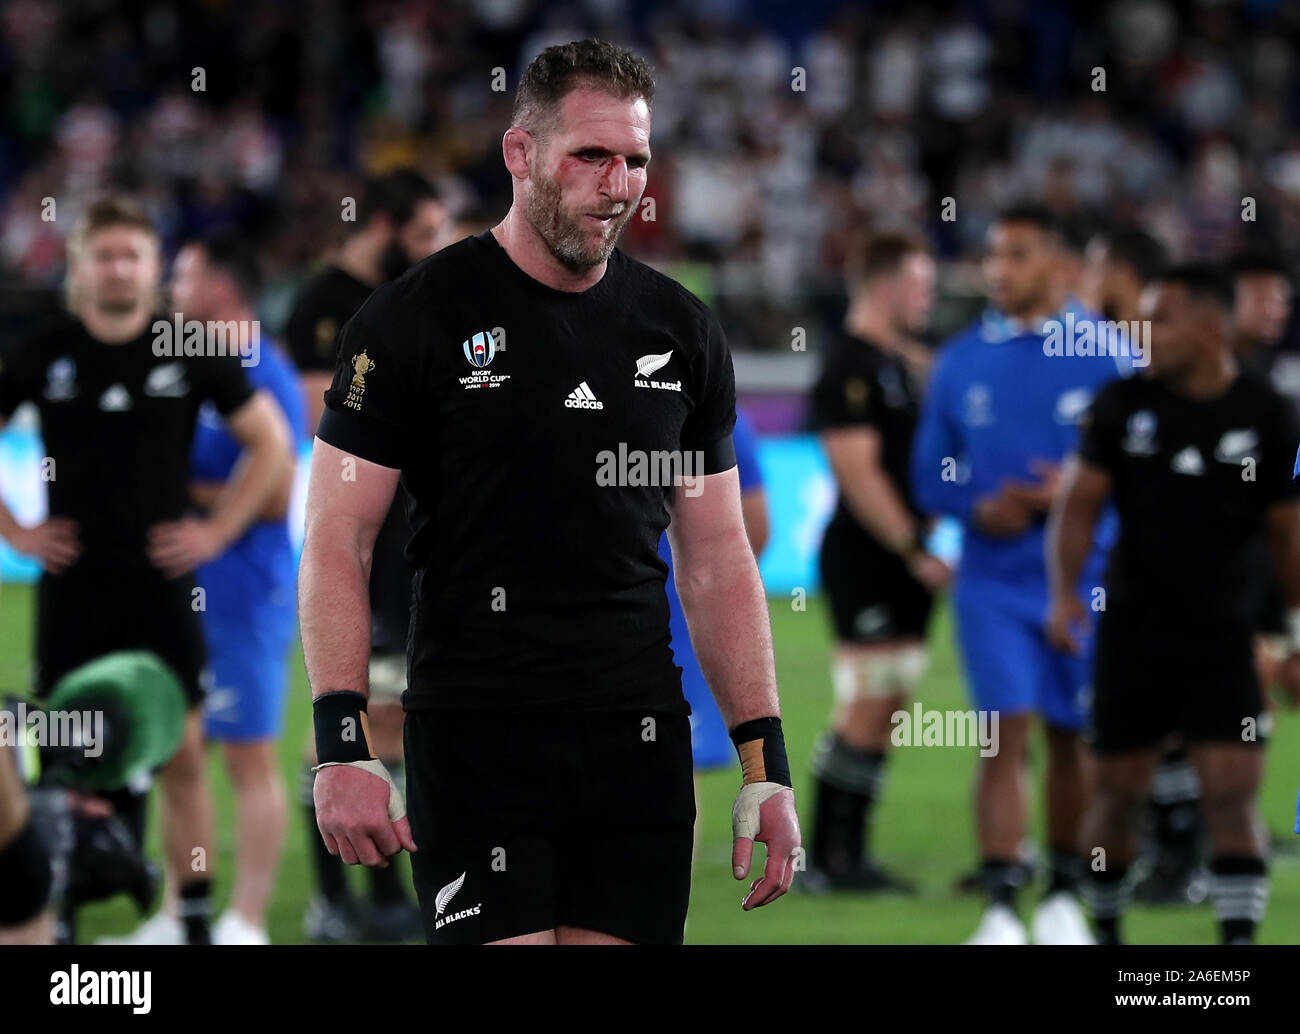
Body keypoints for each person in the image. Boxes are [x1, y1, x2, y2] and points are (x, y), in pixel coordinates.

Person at [299, 38, 800, 945]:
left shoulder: (681, 329)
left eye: (636, 160)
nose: (618, 185)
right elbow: (338, 537)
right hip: (474, 737)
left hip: (638, 740)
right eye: (592, 156)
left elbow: (719, 555)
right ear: (519, 154)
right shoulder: (411, 321)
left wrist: (765, 764)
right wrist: (342, 741)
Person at [0, 196, 291, 944]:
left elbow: (272, 445)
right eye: (105, 254)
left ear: (154, 266)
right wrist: (19, 532)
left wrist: (218, 530)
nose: (119, 267)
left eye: (133, 254)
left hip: (162, 589)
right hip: (73, 588)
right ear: (80, 265)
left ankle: (189, 917)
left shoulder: (189, 345)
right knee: (65, 752)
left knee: (183, 753)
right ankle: (55, 916)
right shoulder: (45, 348)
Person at [1048, 264, 1300, 944]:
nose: (1144, 334)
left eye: (1161, 319)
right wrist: (1065, 593)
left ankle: (1238, 954)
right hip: (1134, 628)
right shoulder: (1121, 404)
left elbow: (1288, 532)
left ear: (1210, 327)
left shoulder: (1266, 412)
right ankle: (1106, 933)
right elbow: (1079, 508)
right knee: (1120, 792)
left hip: (1225, 631)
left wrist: (1296, 632)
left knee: (1231, 791)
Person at [911, 203, 1128, 945]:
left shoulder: (1110, 356)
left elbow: (1143, 477)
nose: (999, 271)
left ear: (1061, 268)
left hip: (1088, 580)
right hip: (992, 580)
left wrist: (1072, 496)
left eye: (1019, 256)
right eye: (994, 256)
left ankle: (1065, 894)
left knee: (1073, 735)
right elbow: (928, 473)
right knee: (1002, 733)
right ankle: (1003, 906)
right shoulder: (961, 359)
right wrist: (977, 504)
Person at [284, 169, 448, 942]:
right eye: (421, 234)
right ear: (380, 228)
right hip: (352, 543)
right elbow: (333, 418)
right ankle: (341, 900)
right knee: (354, 716)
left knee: (399, 715)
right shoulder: (323, 304)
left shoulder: (418, 304)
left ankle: (383, 897)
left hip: (414, 543)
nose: (435, 250)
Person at [171, 231, 305, 944]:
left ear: (221, 288)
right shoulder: (199, 362)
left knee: (250, 758)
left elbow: (281, 496)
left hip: (244, 592)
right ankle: (176, 910)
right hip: (191, 588)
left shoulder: (260, 369)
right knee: (178, 754)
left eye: (182, 275)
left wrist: (176, 494)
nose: (171, 289)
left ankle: (246, 920)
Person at [804, 231, 947, 894]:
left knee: (885, 700)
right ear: (883, 283)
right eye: (919, 284)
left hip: (897, 557)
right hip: (869, 557)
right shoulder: (849, 367)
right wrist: (913, 550)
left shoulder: (896, 363)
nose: (929, 296)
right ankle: (831, 861)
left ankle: (841, 856)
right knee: (867, 702)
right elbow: (857, 474)